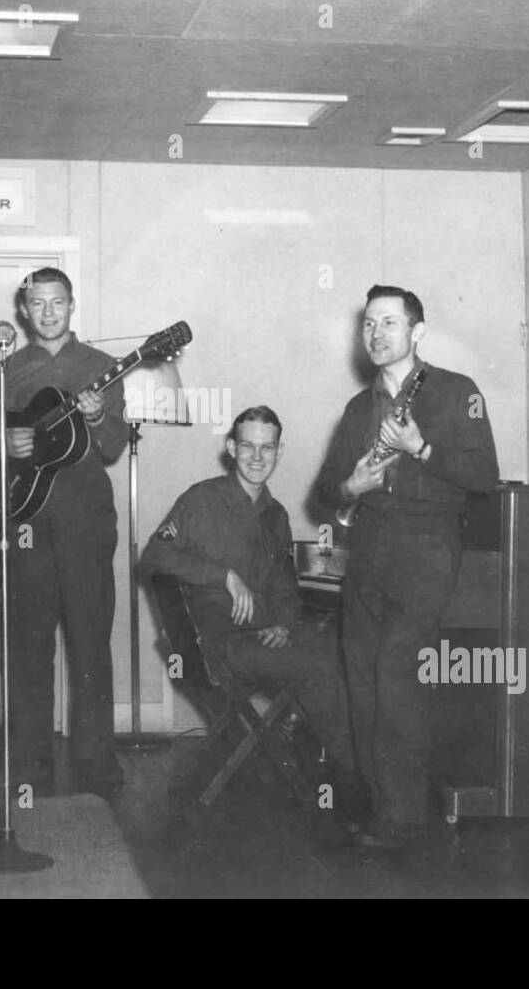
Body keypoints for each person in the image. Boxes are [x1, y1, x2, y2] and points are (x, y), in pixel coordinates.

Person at [315, 285, 498, 851]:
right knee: (364, 679)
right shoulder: (356, 408)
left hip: (427, 546)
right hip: (369, 546)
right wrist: (352, 485)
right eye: (369, 323)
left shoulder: (457, 392)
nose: (376, 334)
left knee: (397, 677)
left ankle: (404, 818)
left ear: (417, 332)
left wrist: (421, 448)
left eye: (389, 323)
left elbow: (485, 476)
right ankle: (382, 807)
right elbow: (326, 491)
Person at [0, 267, 126, 798]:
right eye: (38, 304)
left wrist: (96, 422)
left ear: (73, 306)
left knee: (91, 643)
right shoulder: (8, 370)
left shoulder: (103, 367)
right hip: (24, 525)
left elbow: (116, 444)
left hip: (87, 526)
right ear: (24, 312)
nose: (49, 313)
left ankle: (95, 763)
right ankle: (27, 762)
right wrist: (1, 445)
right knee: (27, 644)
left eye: (58, 303)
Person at [140, 406, 363, 818]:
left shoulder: (275, 515)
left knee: (340, 642)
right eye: (247, 447)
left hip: (260, 636)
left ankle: (335, 754)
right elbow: (152, 557)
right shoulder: (200, 500)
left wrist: (284, 622)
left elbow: (283, 587)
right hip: (216, 645)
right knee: (318, 661)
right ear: (231, 448)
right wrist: (221, 574)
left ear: (279, 452)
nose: (257, 457)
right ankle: (353, 775)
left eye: (267, 448)